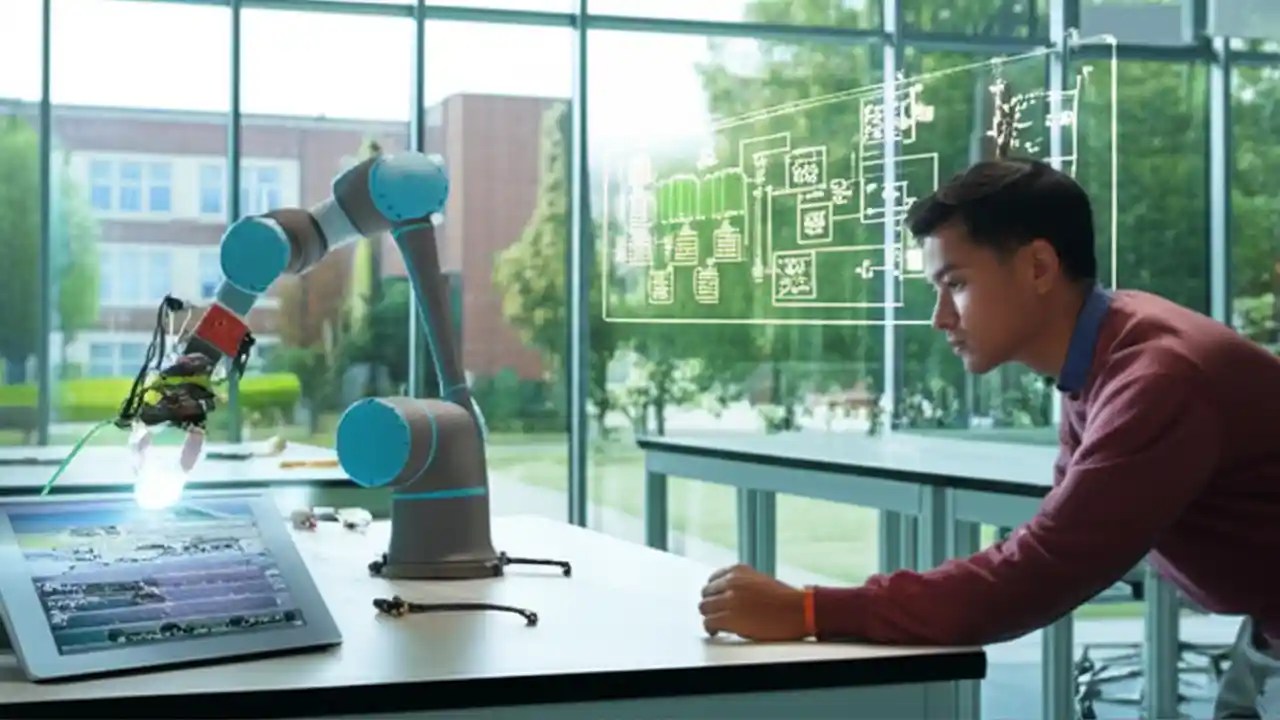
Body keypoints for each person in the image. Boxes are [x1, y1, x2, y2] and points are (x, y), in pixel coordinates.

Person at [696, 158, 1280, 717]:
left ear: (1039, 267)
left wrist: (808, 610)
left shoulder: (1157, 378)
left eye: (955, 284)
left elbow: (1037, 572)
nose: (940, 317)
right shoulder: (1101, 357)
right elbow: (1052, 538)